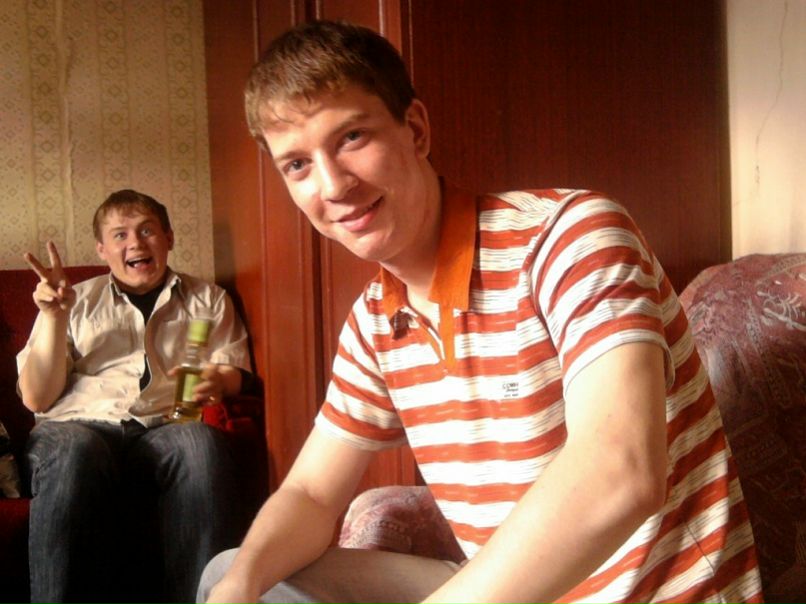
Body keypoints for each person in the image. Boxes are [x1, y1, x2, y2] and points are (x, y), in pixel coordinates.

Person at [198, 20, 763, 604]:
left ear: (415, 130)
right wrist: (239, 587)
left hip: (649, 594)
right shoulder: (375, 321)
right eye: (297, 165)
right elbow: (312, 495)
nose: (332, 185)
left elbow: (621, 472)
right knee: (234, 572)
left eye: (352, 137)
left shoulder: (569, 237)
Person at [17, 189, 253, 604]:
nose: (136, 243)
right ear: (102, 249)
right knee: (77, 450)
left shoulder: (208, 299)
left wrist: (218, 379)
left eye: (147, 231)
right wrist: (54, 317)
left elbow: (233, 370)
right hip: (75, 427)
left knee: (201, 445)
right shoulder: (73, 300)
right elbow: (37, 399)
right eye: (120, 235)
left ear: (169, 238)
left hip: (165, 425)